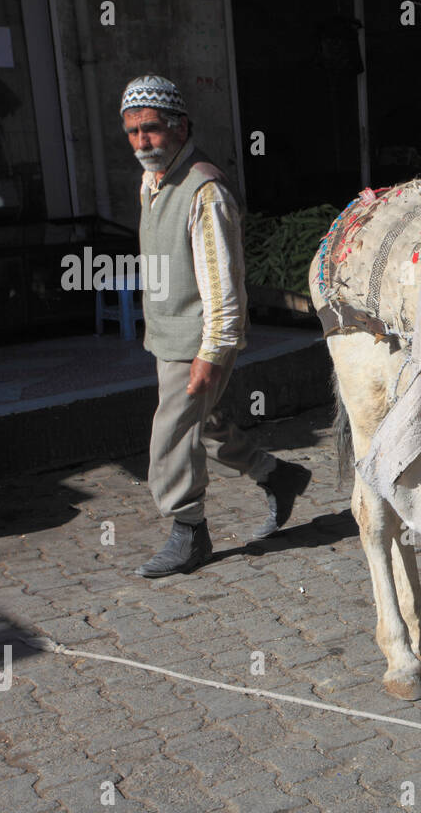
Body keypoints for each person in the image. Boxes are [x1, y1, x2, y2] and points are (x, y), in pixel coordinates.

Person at [120, 75, 311, 577]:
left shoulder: (205, 191)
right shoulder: (153, 181)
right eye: (133, 131)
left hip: (196, 338)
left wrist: (213, 351)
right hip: (168, 332)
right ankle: (276, 475)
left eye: (153, 130)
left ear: (181, 126)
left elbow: (225, 282)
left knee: (172, 432)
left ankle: (189, 532)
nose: (143, 141)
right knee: (204, 424)